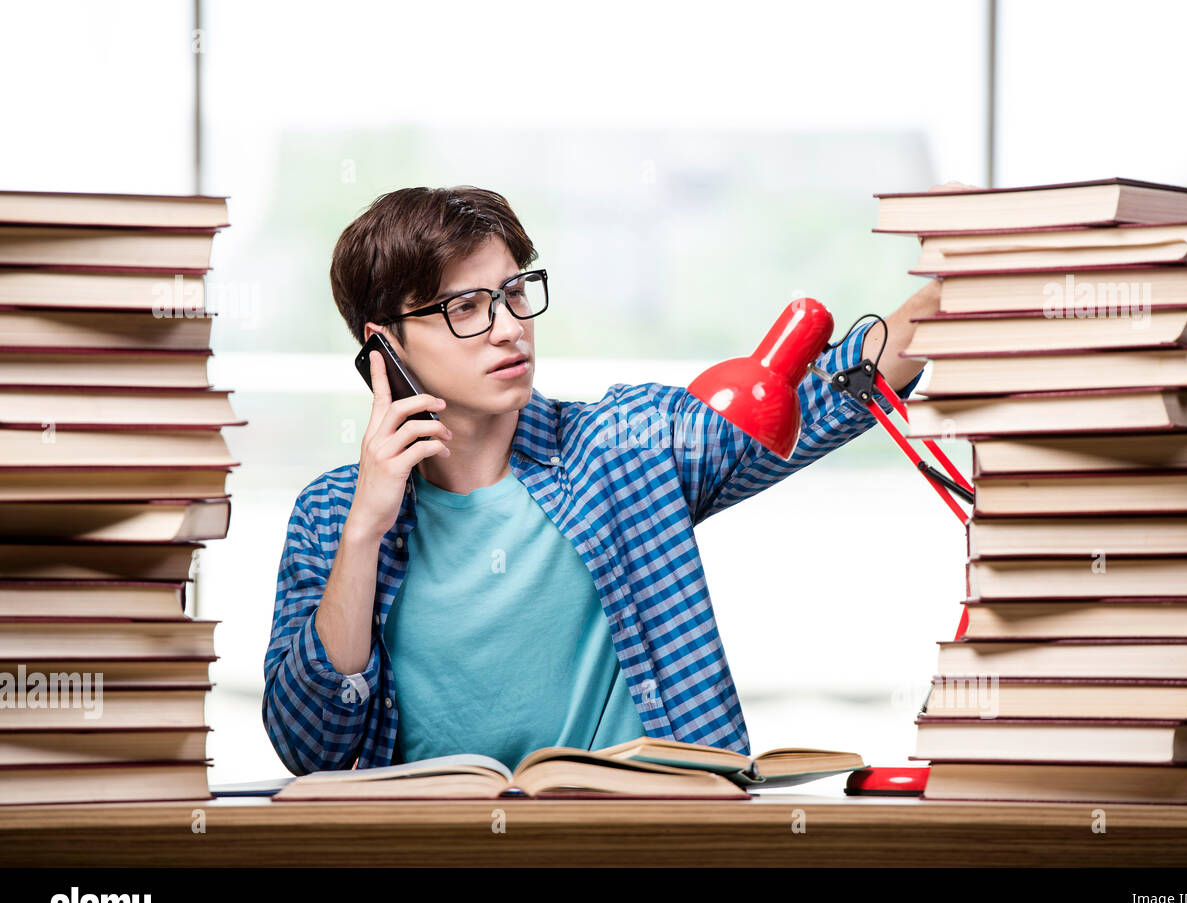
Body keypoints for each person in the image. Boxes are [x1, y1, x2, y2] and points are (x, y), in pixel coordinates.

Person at [262, 184, 934, 774]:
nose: (508, 329)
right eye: (465, 306)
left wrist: (956, 282)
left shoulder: (622, 446)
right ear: (385, 346)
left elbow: (824, 394)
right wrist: (364, 534)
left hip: (639, 840)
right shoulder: (330, 514)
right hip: (440, 851)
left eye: (514, 292)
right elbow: (310, 744)